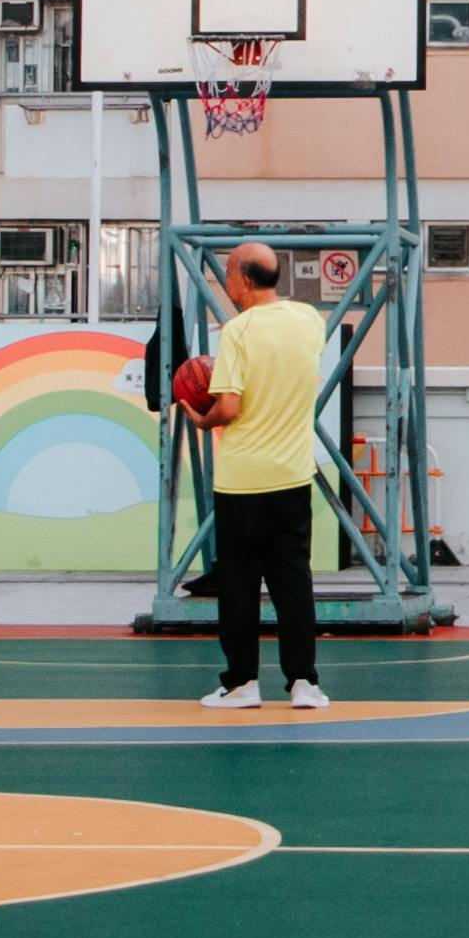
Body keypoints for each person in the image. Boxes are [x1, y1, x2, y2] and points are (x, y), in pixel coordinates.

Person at [188, 241, 329, 710]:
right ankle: (303, 683)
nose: (224, 281)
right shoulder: (311, 321)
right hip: (291, 475)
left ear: (244, 280)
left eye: (227, 272)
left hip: (242, 479)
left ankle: (243, 684)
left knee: (240, 587)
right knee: (293, 582)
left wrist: (200, 418)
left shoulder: (238, 331)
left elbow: (229, 405)